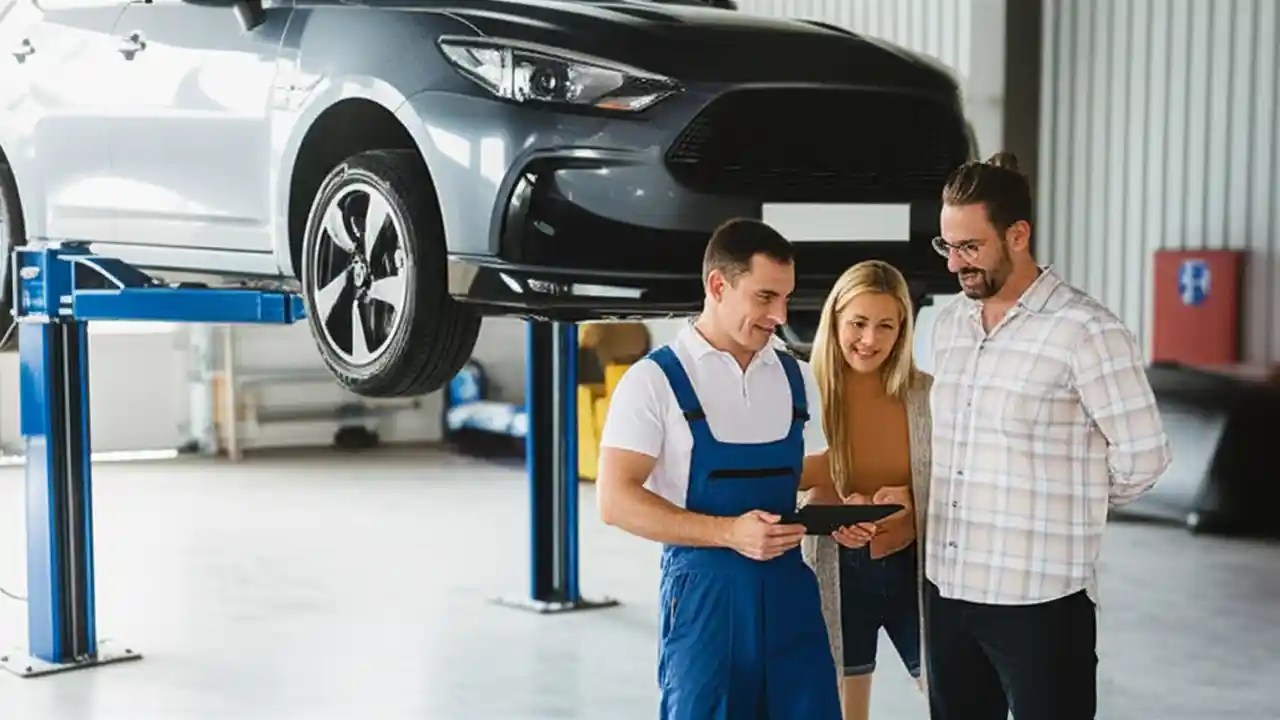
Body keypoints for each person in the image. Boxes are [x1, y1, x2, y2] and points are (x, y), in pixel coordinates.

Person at [923, 151, 1171, 720]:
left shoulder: (1086, 331)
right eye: (947, 246)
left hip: (1039, 601)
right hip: (948, 589)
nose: (956, 263)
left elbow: (1145, 458)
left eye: (970, 247)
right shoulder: (950, 326)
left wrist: (1070, 497)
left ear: (1017, 235)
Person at [595, 217, 863, 720]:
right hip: (704, 599)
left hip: (790, 595)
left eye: (785, 298)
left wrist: (840, 518)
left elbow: (820, 484)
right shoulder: (654, 381)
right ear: (718, 286)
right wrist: (729, 533)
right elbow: (614, 500)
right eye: (765, 298)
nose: (779, 315)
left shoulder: (797, 377)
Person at [798, 260, 934, 720]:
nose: (870, 340)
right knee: (843, 709)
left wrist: (912, 506)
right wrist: (834, 509)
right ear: (834, 319)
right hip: (835, 571)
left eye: (886, 326)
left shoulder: (926, 396)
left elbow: (954, 484)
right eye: (857, 323)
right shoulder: (801, 390)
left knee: (957, 695)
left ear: (903, 330)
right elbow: (780, 481)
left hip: (912, 566)